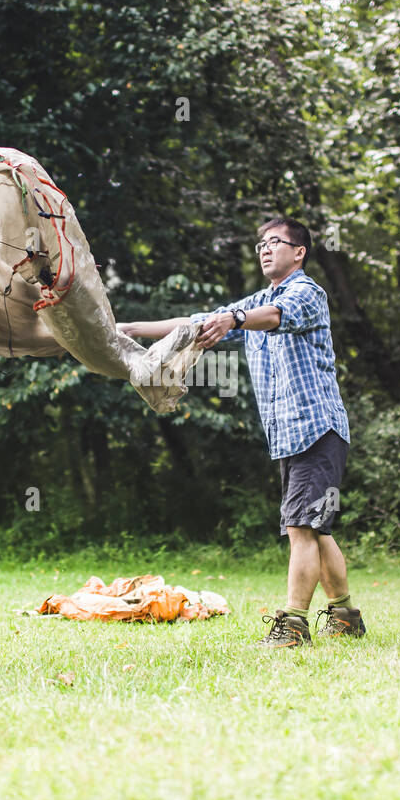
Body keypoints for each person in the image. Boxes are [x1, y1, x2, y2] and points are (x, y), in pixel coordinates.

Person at [117, 218, 363, 647]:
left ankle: (293, 624)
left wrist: (235, 318)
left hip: (316, 427)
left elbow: (273, 317)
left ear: (299, 252)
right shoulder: (259, 300)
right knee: (314, 527)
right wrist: (133, 329)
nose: (265, 249)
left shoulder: (306, 293)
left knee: (301, 528)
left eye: (275, 242)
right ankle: (344, 616)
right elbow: (197, 322)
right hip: (289, 434)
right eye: (261, 244)